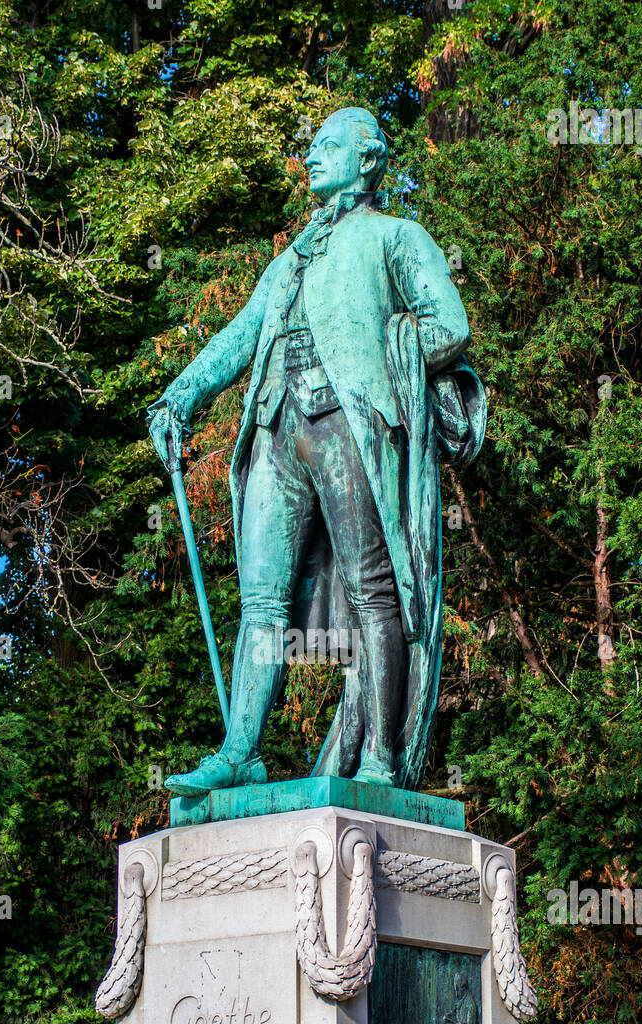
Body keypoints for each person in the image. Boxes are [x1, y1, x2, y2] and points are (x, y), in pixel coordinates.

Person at [148, 107, 485, 796]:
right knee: (261, 603)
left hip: (349, 424)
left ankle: (380, 760)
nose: (311, 157)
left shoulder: (396, 236)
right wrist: (179, 396)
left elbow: (447, 326)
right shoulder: (288, 260)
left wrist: (387, 366)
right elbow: (239, 337)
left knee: (370, 592)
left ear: (367, 160)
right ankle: (241, 750)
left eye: (325, 147)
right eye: (309, 148)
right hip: (277, 429)